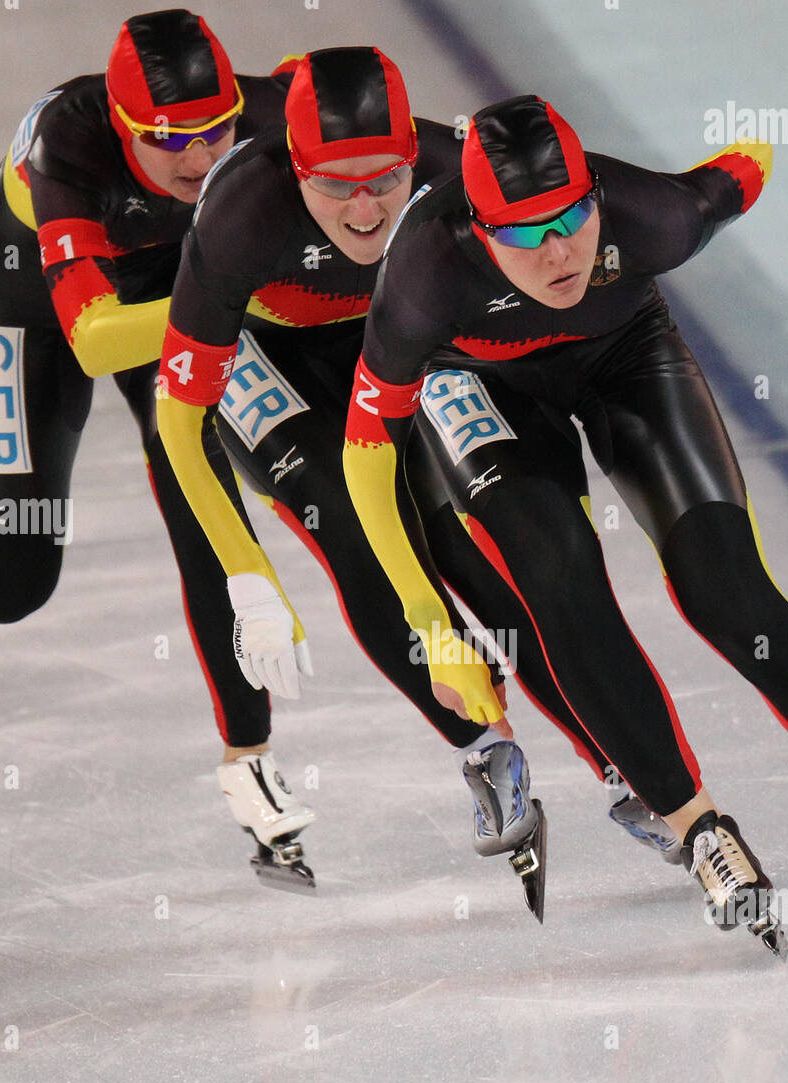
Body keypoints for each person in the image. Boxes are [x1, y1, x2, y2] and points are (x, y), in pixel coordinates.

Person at [341, 93, 788, 953]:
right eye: (523, 234)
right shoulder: (423, 275)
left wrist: (772, 128)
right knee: (559, 585)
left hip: (627, 355)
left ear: (595, 197)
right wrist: (430, 624)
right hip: (476, 384)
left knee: (730, 593)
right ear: (480, 234)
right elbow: (365, 456)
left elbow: (736, 175)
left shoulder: (656, 217)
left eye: (571, 218)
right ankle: (699, 828)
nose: (557, 252)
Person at [155, 48, 672, 913]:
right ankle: (482, 744)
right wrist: (247, 573)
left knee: (473, 547)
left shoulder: (451, 176)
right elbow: (177, 418)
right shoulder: (244, 211)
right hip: (261, 350)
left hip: (391, 349)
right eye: (334, 186)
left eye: (384, 179)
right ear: (292, 165)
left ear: (414, 155)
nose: (363, 209)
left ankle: (624, 760)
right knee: (355, 532)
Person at [0, 10, 325, 887]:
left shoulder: (262, 110)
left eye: (217, 131)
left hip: (167, 284)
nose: (202, 159)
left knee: (200, 490)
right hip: (32, 298)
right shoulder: (69, 146)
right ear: (127, 127)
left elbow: (340, 106)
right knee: (18, 579)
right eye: (170, 140)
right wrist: (232, 305)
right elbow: (92, 341)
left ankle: (249, 758)